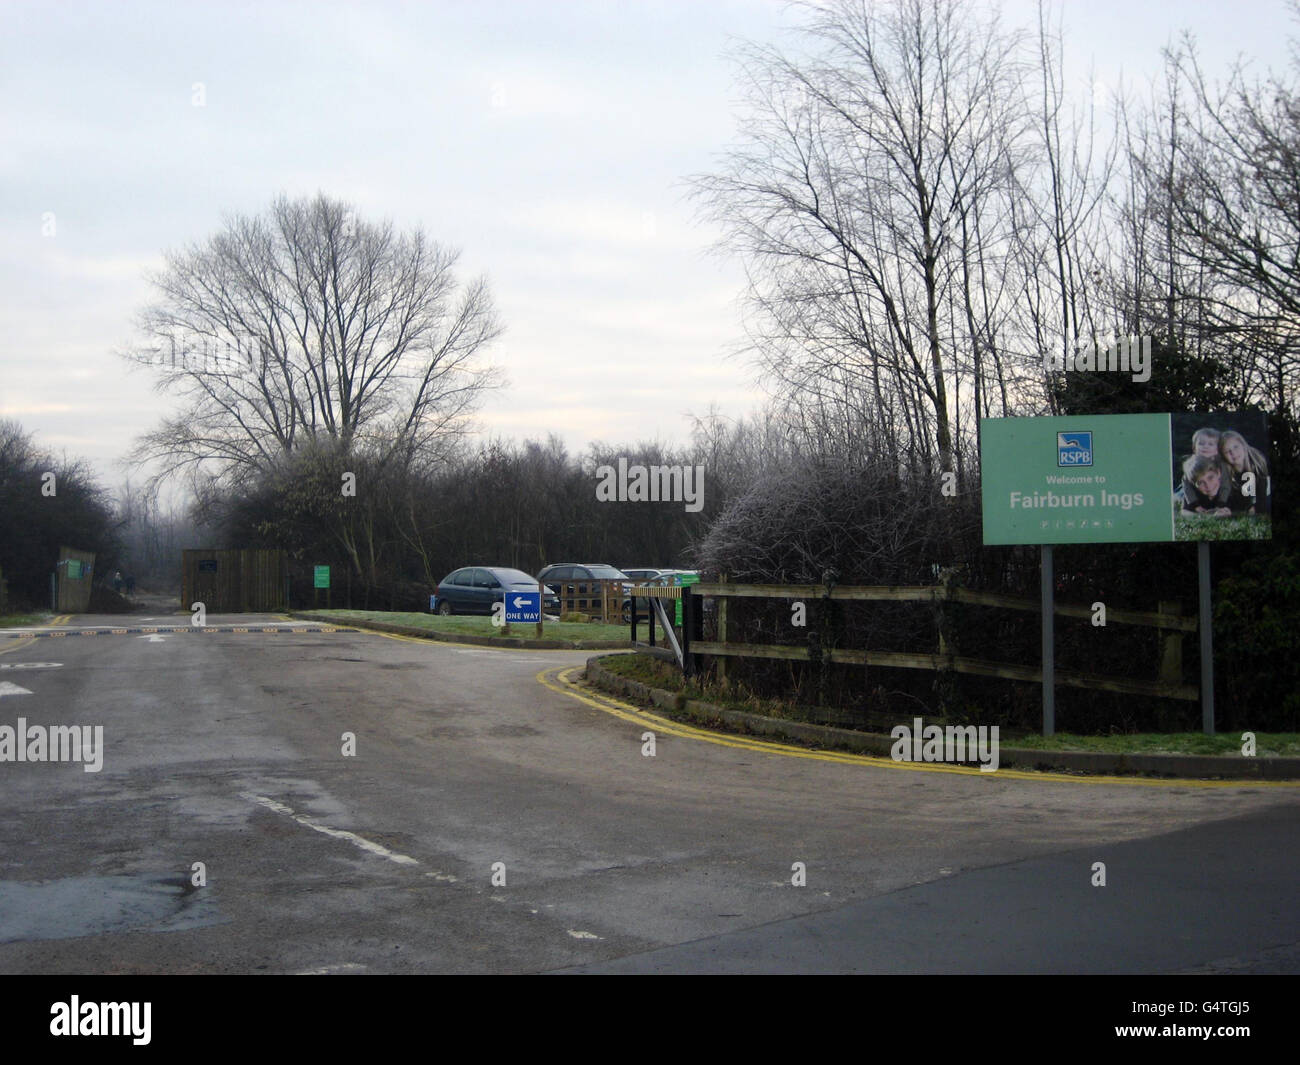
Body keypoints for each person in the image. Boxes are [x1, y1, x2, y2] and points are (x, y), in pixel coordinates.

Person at [1219, 429, 1270, 515]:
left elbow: (1262, 494)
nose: (1233, 453)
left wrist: (1256, 507)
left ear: (1243, 445)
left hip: (1265, 493)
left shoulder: (1257, 463)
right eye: (1228, 451)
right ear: (1223, 456)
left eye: (1236, 447)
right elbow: (1230, 495)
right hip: (1246, 496)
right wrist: (1225, 507)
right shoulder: (1227, 472)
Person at [1179, 454, 1246, 516]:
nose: (1208, 486)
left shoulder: (1230, 492)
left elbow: (1245, 511)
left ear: (1219, 473)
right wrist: (1202, 515)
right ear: (1194, 485)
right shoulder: (1194, 494)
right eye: (1200, 482)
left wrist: (1229, 512)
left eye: (1210, 477)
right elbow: (1184, 511)